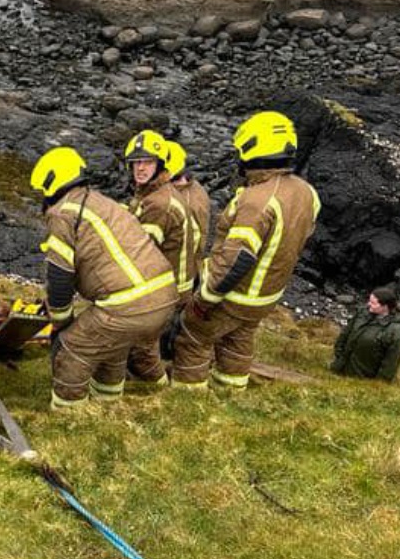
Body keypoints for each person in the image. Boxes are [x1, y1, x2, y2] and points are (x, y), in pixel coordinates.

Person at [174, 111, 320, 390]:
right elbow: (303, 234)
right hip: (267, 295)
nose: (239, 159)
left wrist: (205, 299)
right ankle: (230, 390)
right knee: (237, 340)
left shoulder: (256, 201)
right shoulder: (306, 192)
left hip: (237, 296)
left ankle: (186, 399)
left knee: (192, 338)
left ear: (255, 150)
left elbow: (237, 259)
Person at [31, 147, 177, 410]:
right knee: (111, 347)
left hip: (130, 304)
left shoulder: (62, 214)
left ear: (50, 183)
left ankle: (69, 415)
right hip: (165, 297)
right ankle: (108, 404)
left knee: (73, 348)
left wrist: (60, 322)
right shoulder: (103, 202)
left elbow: (60, 274)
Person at [123, 131, 212, 355]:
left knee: (141, 351)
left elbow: (138, 256)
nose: (140, 168)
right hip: (181, 286)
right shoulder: (169, 193)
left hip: (165, 294)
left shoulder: (159, 205)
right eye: (136, 162)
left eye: (147, 162)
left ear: (160, 165)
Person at [331, 286, 400, 381]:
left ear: (385, 307)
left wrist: (376, 385)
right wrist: (339, 357)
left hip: (363, 380)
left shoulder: (396, 332)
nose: (368, 304)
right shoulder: (362, 313)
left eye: (373, 303)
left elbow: (390, 364)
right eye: (369, 301)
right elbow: (345, 335)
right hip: (338, 372)